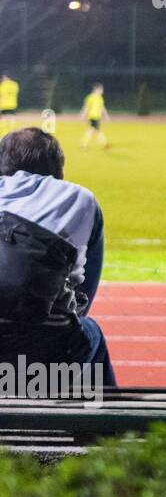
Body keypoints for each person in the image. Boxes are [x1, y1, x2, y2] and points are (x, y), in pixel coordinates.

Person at [0, 128, 114, 387]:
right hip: (49, 357)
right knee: (90, 331)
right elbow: (85, 291)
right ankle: (110, 423)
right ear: (58, 170)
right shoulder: (80, 199)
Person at [79, 84, 109, 150]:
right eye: (101, 89)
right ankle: (105, 144)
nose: (102, 91)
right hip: (92, 117)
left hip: (97, 117)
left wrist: (106, 115)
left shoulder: (100, 98)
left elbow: (102, 107)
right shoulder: (90, 97)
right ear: (97, 89)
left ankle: (83, 144)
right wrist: (82, 115)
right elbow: (86, 107)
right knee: (96, 131)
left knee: (92, 130)